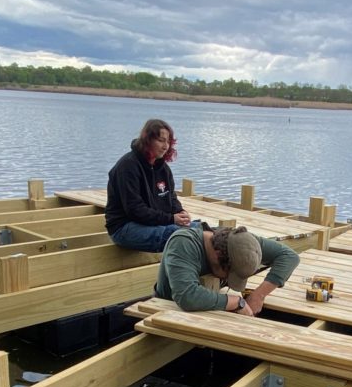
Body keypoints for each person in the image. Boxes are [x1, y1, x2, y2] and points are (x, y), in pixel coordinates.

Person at [154, 223, 300, 314]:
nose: (229, 282)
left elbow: (289, 256)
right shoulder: (183, 243)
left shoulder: (241, 241)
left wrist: (258, 296)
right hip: (169, 312)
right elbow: (187, 297)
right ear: (218, 256)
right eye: (230, 276)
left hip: (208, 311)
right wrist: (237, 302)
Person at [104, 118, 192, 252]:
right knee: (180, 236)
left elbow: (171, 198)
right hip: (124, 227)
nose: (165, 146)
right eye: (161, 140)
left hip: (155, 223)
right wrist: (171, 219)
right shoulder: (128, 166)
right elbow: (135, 210)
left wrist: (180, 212)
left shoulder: (163, 169)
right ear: (147, 140)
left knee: (200, 229)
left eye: (168, 142)